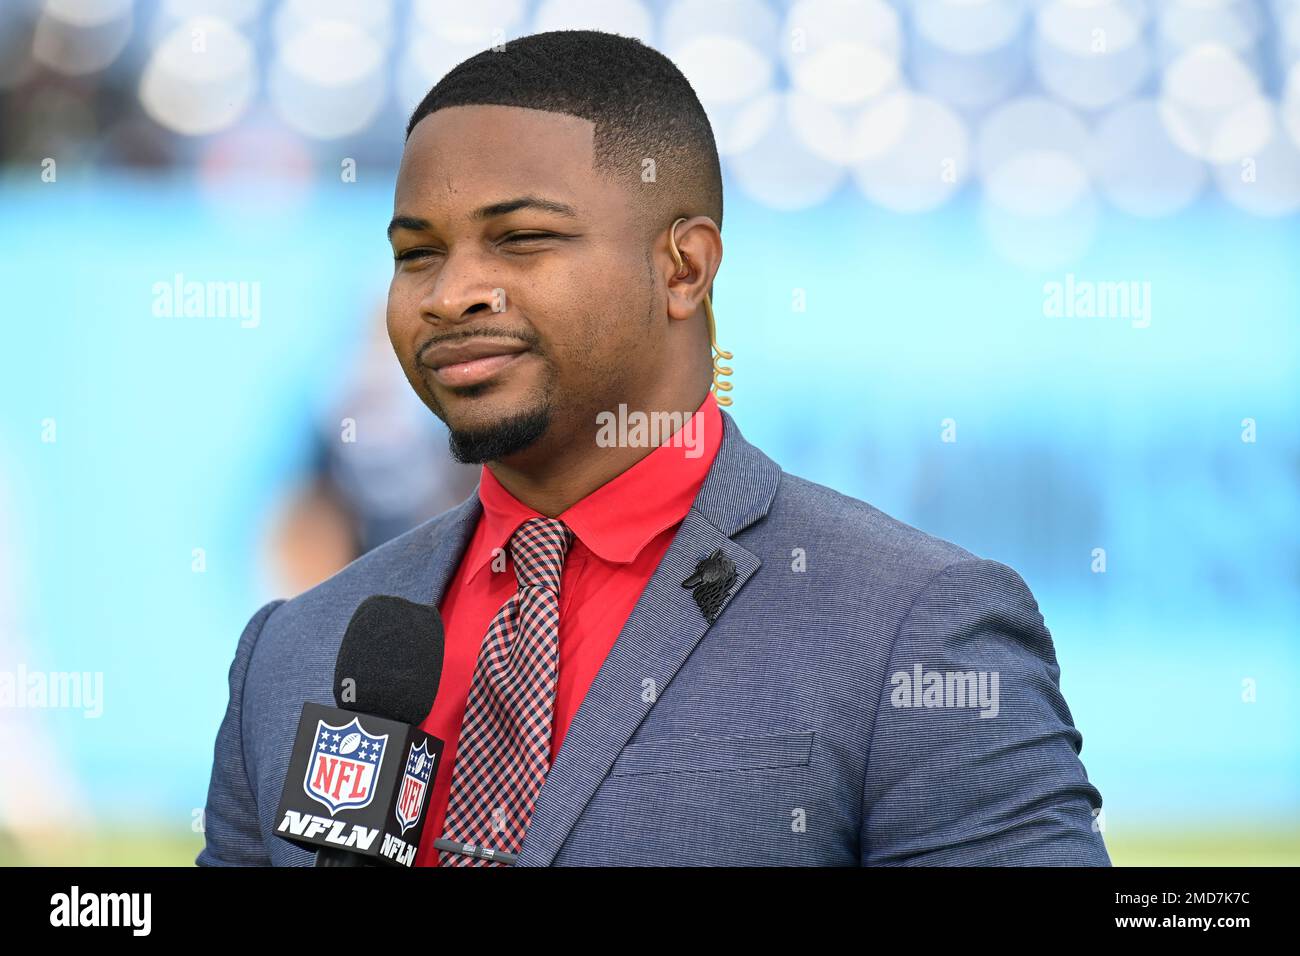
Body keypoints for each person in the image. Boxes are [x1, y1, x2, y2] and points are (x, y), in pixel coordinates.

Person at [198, 29, 1109, 867]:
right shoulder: (293, 650)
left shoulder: (914, 628)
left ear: (684, 267)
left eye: (521, 239)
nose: (453, 293)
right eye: (416, 253)